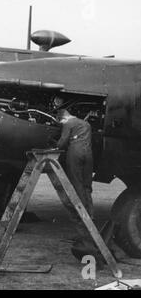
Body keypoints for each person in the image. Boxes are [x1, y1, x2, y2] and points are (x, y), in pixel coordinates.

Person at [55, 109, 99, 262]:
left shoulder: (68, 123)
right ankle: (90, 212)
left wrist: (55, 148)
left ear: (62, 117)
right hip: (88, 154)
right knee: (87, 185)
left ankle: (82, 214)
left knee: (76, 184)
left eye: (60, 121)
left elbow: (63, 140)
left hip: (75, 153)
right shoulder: (85, 123)